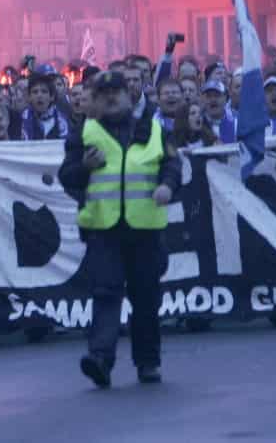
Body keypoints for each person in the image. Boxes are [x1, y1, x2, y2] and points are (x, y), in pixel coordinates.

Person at [59, 72, 180, 389]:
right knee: (106, 295)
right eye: (104, 93)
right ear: (94, 100)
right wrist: (84, 166)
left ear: (130, 95)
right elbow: (67, 176)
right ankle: (100, 359)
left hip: (145, 231)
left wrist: (167, 185)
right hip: (104, 231)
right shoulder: (83, 133)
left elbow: (173, 165)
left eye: (117, 91)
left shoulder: (153, 129)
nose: (111, 97)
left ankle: (148, 363)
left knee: (146, 299)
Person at [20, 72, 70, 140]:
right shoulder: (22, 119)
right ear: (29, 97)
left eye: (44, 91)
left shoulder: (61, 120)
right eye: (35, 92)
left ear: (52, 96)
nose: (39, 96)